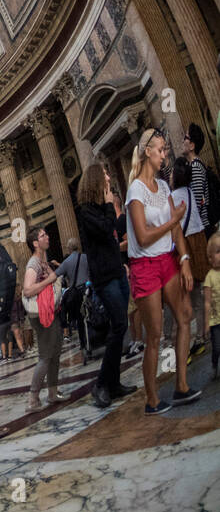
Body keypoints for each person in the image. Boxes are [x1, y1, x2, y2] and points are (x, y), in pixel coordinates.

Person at [125, 129, 199, 412]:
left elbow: (176, 228)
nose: (165, 154)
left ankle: (181, 386)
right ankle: (152, 399)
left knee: (185, 316)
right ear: (147, 152)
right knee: (154, 335)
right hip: (144, 266)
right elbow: (143, 236)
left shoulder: (164, 187)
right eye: (160, 149)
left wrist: (185, 259)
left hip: (168, 261)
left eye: (166, 150)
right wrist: (173, 221)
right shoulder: (135, 190)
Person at [76, 163, 135, 408]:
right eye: (105, 175)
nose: (109, 178)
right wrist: (111, 204)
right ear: (95, 181)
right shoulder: (85, 211)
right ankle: (101, 384)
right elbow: (106, 228)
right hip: (105, 278)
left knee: (120, 326)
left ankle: (113, 383)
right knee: (119, 325)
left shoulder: (100, 208)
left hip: (116, 272)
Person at [22, 227, 67, 412]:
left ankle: (52, 392)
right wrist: (49, 280)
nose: (47, 237)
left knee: (55, 353)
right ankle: (33, 399)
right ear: (35, 243)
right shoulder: (33, 263)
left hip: (51, 311)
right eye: (43, 236)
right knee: (45, 356)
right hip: (41, 315)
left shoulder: (43, 260)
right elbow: (27, 289)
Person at [173, 137, 210, 362]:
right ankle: (206, 332)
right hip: (199, 239)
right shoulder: (188, 192)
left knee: (191, 293)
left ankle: (199, 335)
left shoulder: (175, 196)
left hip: (186, 244)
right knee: (203, 287)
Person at [54, 238, 91, 364]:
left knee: (80, 320)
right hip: (88, 290)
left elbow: (56, 275)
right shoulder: (86, 257)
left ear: (69, 249)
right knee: (91, 315)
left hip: (76, 294)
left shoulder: (66, 262)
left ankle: (83, 343)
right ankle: (94, 339)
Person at [204, 234, 220, 378]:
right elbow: (207, 302)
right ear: (210, 258)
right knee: (216, 347)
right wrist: (206, 323)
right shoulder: (209, 277)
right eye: (218, 251)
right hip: (215, 320)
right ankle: (215, 364)